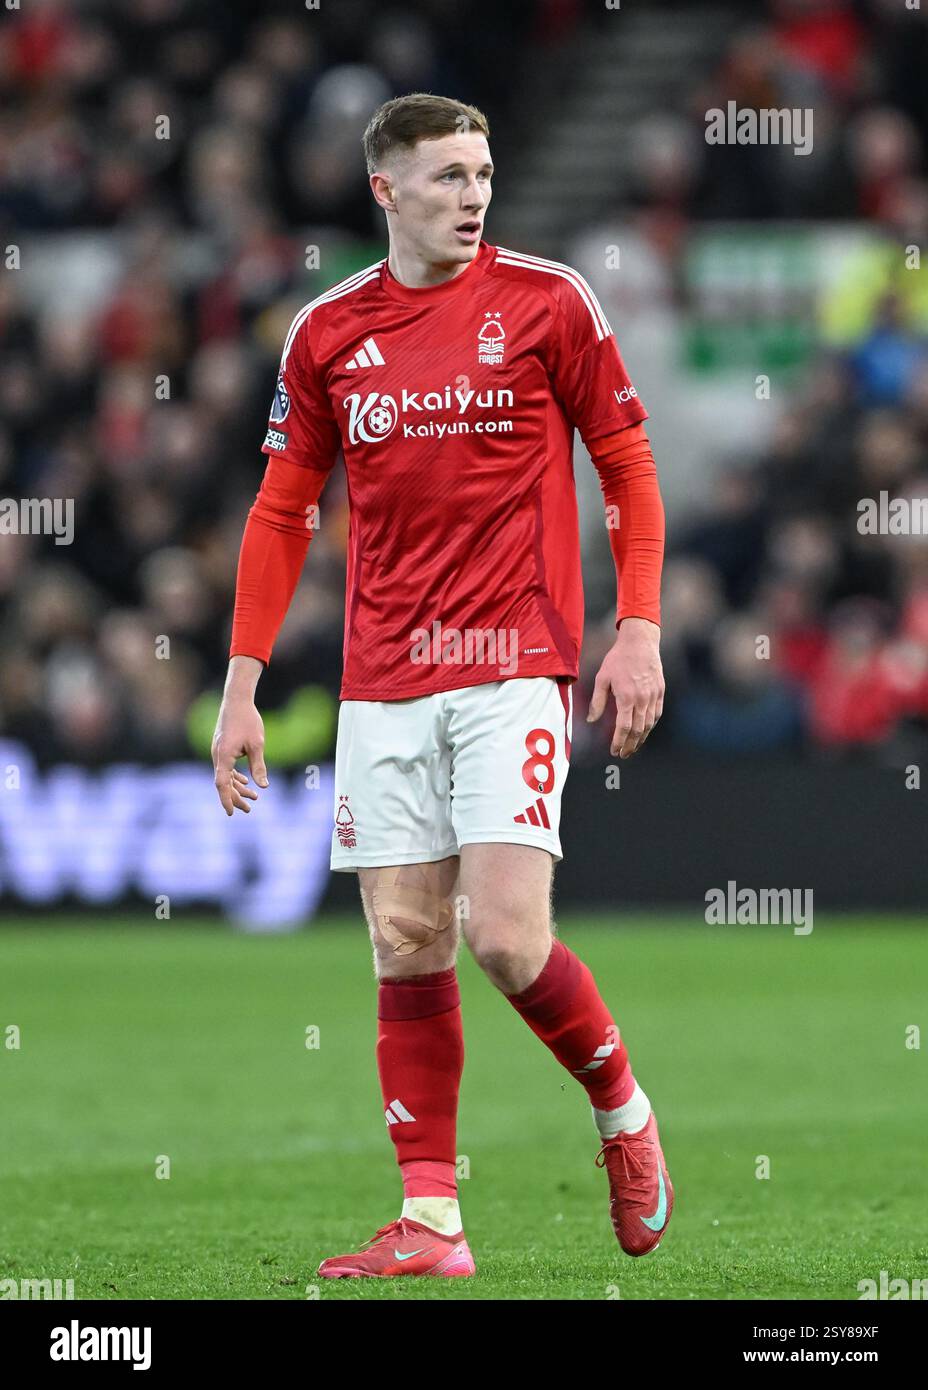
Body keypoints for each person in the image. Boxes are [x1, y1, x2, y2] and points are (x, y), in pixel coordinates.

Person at [212, 92, 670, 1278]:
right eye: (447, 177)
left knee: (505, 936)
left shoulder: (548, 301)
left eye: (482, 172)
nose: (473, 195)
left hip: (513, 659)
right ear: (385, 191)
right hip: (382, 672)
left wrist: (638, 627)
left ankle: (623, 1114)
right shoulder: (326, 332)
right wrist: (240, 683)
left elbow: (624, 459)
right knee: (406, 936)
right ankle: (433, 1221)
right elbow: (280, 510)